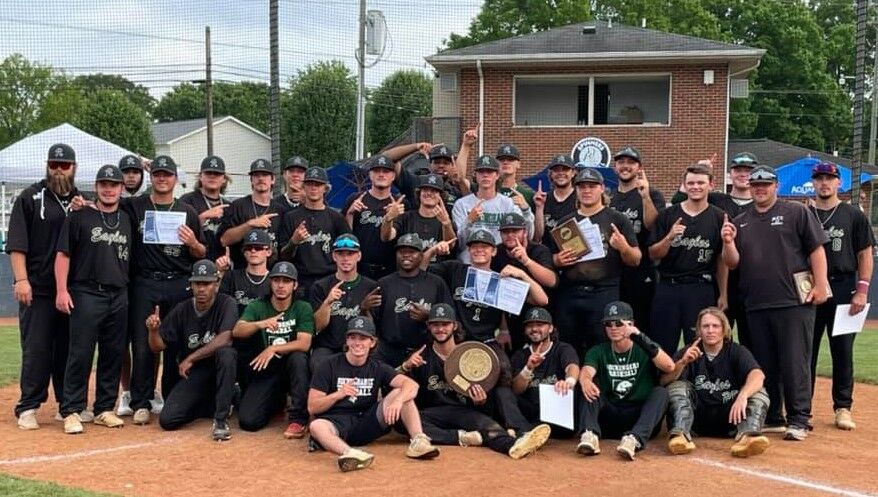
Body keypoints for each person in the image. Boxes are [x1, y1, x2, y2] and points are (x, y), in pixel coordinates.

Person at [722, 165, 830, 440]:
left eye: (766, 184)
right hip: (756, 303)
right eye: (756, 185)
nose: (760, 188)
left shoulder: (795, 212)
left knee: (795, 362)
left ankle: (799, 418)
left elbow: (816, 249)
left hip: (793, 301)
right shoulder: (741, 219)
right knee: (764, 364)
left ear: (776, 187)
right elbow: (732, 263)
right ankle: (773, 416)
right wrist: (728, 242)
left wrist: (820, 285)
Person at [401, 303, 552, 458]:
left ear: (454, 326)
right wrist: (406, 367)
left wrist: (480, 401)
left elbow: (483, 396)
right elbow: (400, 390)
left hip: (464, 411)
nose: (440, 329)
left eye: (445, 324)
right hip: (434, 414)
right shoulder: (420, 356)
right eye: (435, 325)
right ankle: (461, 437)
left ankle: (514, 444)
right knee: (403, 421)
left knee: (489, 427)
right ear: (428, 326)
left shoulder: (472, 353)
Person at [122, 155, 206, 426]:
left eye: (166, 174)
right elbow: (105, 203)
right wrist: (81, 202)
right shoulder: (136, 206)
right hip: (145, 282)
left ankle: (171, 396)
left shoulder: (187, 211)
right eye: (157, 173)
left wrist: (192, 242)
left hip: (179, 282)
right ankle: (141, 401)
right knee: (143, 341)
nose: (161, 178)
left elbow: (202, 253)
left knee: (175, 344)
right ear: (151, 176)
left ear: (174, 179)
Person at [9, 143, 85, 430]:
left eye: (64, 165)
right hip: (38, 288)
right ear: (47, 165)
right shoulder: (30, 197)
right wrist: (21, 279)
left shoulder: (84, 201)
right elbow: (17, 243)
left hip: (72, 290)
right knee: (37, 348)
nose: (59, 170)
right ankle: (28, 405)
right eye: (54, 164)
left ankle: (68, 406)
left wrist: (84, 211)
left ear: (74, 168)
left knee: (68, 349)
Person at [308, 316, 440, 472]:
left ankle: (419, 441)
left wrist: (398, 401)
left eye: (363, 338)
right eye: (353, 337)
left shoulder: (377, 367)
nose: (357, 343)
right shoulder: (328, 365)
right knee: (316, 425)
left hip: (366, 422)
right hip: (335, 423)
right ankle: (350, 454)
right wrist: (338, 394)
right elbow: (312, 407)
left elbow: (412, 385)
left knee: (402, 392)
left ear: (372, 343)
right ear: (347, 341)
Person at [55, 164, 131, 434]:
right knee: (80, 353)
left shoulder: (127, 217)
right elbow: (63, 255)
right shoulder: (79, 216)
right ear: (96, 187)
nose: (109, 189)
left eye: (114, 184)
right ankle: (72, 409)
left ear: (122, 188)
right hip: (86, 291)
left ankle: (103, 409)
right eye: (104, 184)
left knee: (112, 354)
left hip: (119, 294)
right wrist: (62, 290)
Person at [808, 162, 873, 431]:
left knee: (843, 352)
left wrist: (862, 289)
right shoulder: (804, 214)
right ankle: (803, 407)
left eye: (829, 179)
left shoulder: (853, 215)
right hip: (810, 288)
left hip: (845, 286)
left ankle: (843, 407)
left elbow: (865, 254)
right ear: (813, 183)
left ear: (839, 183)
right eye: (820, 179)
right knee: (805, 352)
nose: (824, 183)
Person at [146, 260, 238, 441]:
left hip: (220, 368)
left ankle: (220, 420)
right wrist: (153, 331)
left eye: (207, 284)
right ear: (191, 285)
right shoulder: (182, 309)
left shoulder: (227, 303)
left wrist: (192, 358)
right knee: (168, 420)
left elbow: (225, 338)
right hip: (195, 375)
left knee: (227, 354)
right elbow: (157, 346)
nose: (201, 289)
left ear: (217, 284)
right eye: (197, 283)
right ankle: (214, 402)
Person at [552, 167, 640, 356]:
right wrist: (557, 260)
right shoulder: (566, 222)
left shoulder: (617, 219)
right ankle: (572, 383)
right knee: (568, 346)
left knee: (602, 345)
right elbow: (550, 259)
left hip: (604, 292)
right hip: (570, 293)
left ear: (602, 189)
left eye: (592, 186)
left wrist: (623, 247)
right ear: (576, 190)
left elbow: (636, 259)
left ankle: (598, 384)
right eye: (582, 187)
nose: (587, 191)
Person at [661, 307, 770, 457]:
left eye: (715, 326)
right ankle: (680, 435)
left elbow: (758, 375)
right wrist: (683, 362)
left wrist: (743, 395)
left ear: (724, 329)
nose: (710, 330)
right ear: (699, 330)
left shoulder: (736, 351)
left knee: (758, 391)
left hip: (732, 421)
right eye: (705, 326)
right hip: (696, 423)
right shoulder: (689, 351)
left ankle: (748, 436)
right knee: (676, 387)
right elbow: (663, 381)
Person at [576, 301, 674, 460]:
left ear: (631, 324)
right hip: (610, 415)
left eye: (619, 323)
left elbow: (669, 366)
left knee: (661, 393)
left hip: (639, 415)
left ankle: (634, 440)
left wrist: (638, 336)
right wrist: (585, 380)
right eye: (609, 324)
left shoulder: (646, 348)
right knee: (588, 388)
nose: (614, 328)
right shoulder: (598, 351)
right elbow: (587, 371)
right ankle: (589, 434)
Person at [648, 164, 727, 354]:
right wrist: (669, 238)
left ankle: (699, 382)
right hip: (669, 286)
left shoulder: (719, 217)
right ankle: (662, 382)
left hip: (701, 287)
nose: (696, 187)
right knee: (662, 343)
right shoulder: (669, 215)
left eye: (701, 182)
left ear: (711, 184)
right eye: (691, 183)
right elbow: (653, 253)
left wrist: (723, 294)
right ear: (684, 185)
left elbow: (721, 260)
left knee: (700, 343)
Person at [232, 261, 314, 438]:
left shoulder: (302, 307)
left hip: (292, 369)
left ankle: (298, 419)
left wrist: (273, 348)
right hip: (267, 371)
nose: (281, 285)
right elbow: (238, 331)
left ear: (295, 285)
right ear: (270, 282)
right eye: (277, 280)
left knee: (299, 358)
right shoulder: (258, 306)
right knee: (249, 422)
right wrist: (259, 324)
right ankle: (274, 402)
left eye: (286, 281)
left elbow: (304, 343)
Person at [372, 233, 453, 367]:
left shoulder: (436, 283)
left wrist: (428, 317)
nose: (406, 255)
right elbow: (373, 321)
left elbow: (450, 320)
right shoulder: (384, 283)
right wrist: (364, 308)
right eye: (402, 252)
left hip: (425, 350)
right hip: (389, 351)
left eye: (412, 252)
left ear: (421, 256)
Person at [609, 146, 665, 336]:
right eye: (621, 162)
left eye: (630, 162)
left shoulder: (652, 194)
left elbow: (653, 226)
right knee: (615, 324)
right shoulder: (608, 197)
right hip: (613, 271)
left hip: (642, 270)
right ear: (615, 167)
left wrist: (645, 197)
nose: (625, 166)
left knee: (642, 325)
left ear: (639, 167)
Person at [278, 166, 351, 297]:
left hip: (329, 279)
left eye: (318, 184)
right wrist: (294, 242)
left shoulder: (336, 217)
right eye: (310, 184)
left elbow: (348, 250)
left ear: (325, 188)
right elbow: (283, 256)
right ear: (303, 187)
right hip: (301, 281)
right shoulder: (291, 217)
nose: (313, 188)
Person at [309, 234, 379, 369]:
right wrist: (328, 302)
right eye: (340, 254)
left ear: (358, 256)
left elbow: (374, 329)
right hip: (328, 347)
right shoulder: (321, 286)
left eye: (350, 254)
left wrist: (364, 309)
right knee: (318, 363)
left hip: (359, 347)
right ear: (334, 256)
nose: (345, 258)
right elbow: (317, 326)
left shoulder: (371, 287)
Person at [492, 213, 557, 350]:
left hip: (540, 312)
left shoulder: (539, 250)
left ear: (525, 232)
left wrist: (526, 261)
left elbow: (551, 281)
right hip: (512, 315)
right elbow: (497, 296)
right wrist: (503, 329)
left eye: (515, 231)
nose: (510, 235)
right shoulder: (497, 253)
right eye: (505, 232)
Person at [509, 307, 579, 436]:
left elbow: (572, 367)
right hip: (531, 412)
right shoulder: (520, 355)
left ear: (551, 328)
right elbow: (516, 390)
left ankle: (526, 433)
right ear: (525, 330)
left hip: (556, 414)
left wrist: (568, 382)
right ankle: (525, 431)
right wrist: (528, 368)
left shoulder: (562, 349)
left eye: (540, 325)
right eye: (530, 325)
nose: (534, 329)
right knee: (503, 392)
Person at [452, 155, 534, 263]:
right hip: (471, 261)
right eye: (481, 172)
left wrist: (526, 211)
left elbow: (528, 236)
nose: (485, 175)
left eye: (490, 172)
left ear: (497, 175)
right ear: (475, 175)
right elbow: (461, 243)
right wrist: (469, 221)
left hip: (501, 259)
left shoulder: (508, 203)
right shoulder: (462, 204)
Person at [343, 155, 405, 280]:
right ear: (370, 175)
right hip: (360, 268)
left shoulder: (400, 203)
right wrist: (350, 214)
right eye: (377, 171)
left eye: (386, 171)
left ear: (393, 176)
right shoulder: (355, 199)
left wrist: (391, 217)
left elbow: (389, 237)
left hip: (390, 269)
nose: (381, 174)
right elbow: (345, 236)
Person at [219, 159, 283, 268]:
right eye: (256, 175)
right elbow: (224, 240)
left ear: (273, 180)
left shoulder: (280, 210)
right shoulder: (238, 206)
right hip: (242, 271)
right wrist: (250, 224)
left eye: (265, 175)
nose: (261, 178)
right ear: (251, 180)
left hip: (272, 274)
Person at [380, 173, 456, 255]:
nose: (429, 193)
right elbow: (386, 237)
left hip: (436, 266)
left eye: (434, 191)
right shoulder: (406, 217)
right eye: (425, 190)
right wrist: (388, 219)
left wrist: (446, 224)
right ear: (419, 193)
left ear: (441, 196)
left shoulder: (445, 219)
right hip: (409, 266)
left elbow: (451, 245)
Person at [179, 155, 231, 261]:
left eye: (217, 174)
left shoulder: (228, 205)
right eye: (208, 173)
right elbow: (178, 232)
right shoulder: (187, 200)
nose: (212, 176)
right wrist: (203, 217)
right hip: (193, 263)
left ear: (224, 179)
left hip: (220, 264)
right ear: (200, 177)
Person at [533, 154, 578, 249]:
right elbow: (537, 238)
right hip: (548, 256)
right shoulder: (543, 199)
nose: (560, 173)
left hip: (575, 254)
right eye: (556, 170)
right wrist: (539, 208)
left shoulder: (580, 198)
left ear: (573, 173)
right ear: (551, 174)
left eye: (565, 169)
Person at [495, 144, 535, 211]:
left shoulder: (528, 195)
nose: (505, 162)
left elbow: (536, 221)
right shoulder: (488, 191)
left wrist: (526, 208)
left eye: (510, 159)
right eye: (502, 159)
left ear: (518, 164)